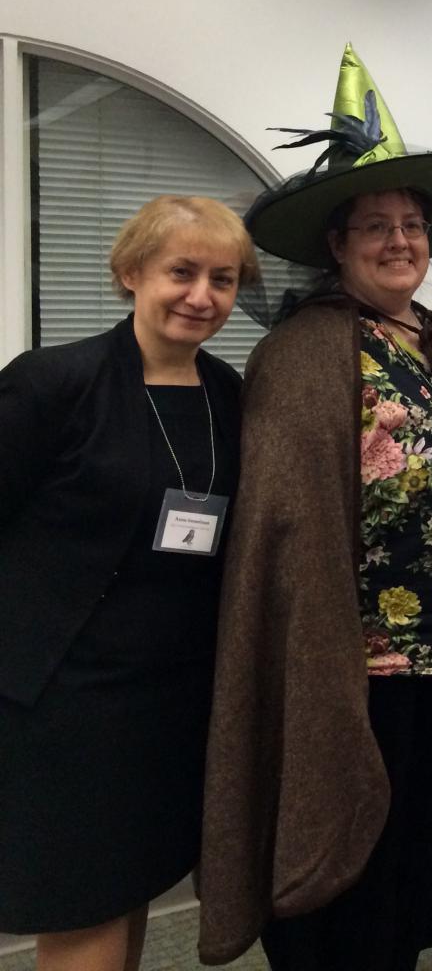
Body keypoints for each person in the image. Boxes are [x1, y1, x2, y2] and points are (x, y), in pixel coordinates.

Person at [197, 45, 432, 970]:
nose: (401, 241)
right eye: (377, 226)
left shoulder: (429, 339)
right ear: (338, 246)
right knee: (345, 872)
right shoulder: (309, 354)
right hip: (360, 672)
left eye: (414, 225)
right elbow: (290, 531)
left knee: (408, 876)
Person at [0, 196, 254, 971]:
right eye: (181, 272)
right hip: (67, 703)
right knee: (85, 906)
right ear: (130, 273)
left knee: (132, 892)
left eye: (223, 278)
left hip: (172, 700)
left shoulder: (228, 397)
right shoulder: (53, 382)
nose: (201, 296)